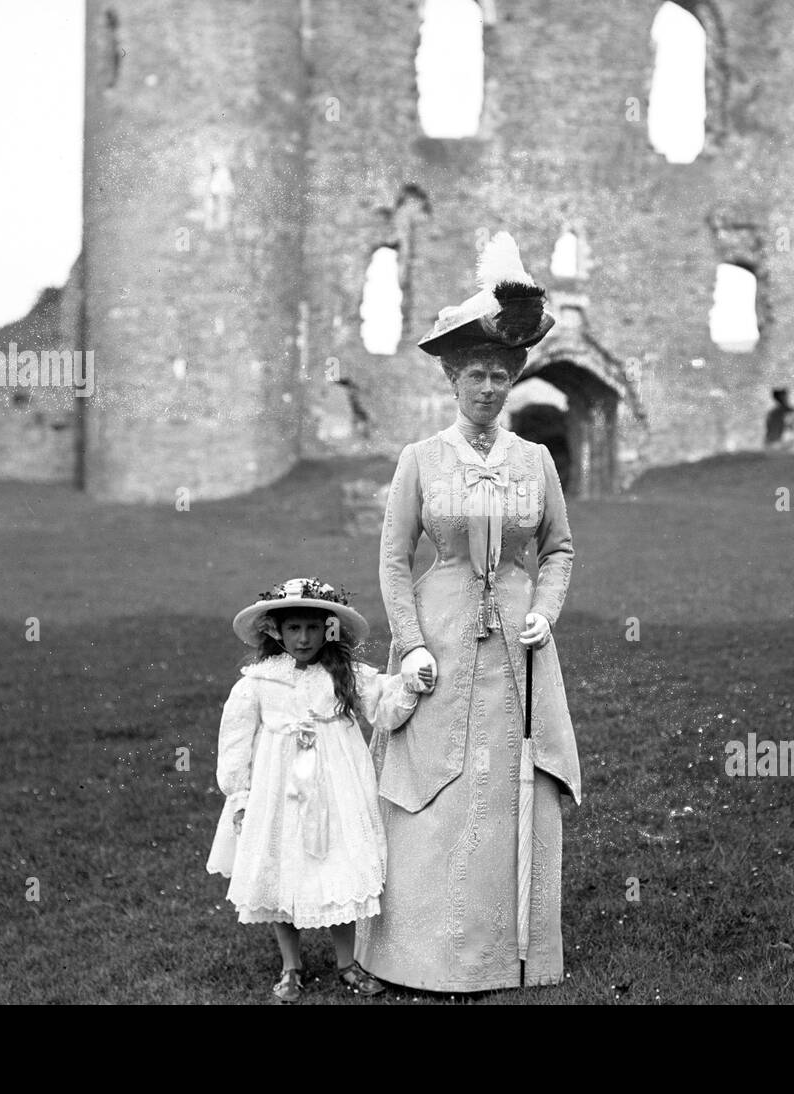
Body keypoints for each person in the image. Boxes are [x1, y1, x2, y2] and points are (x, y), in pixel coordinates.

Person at [355, 232, 582, 992]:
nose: (487, 387)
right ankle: (413, 956)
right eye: (475, 374)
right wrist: (410, 644)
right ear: (452, 380)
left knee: (512, 783)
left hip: (518, 642)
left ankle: (506, 952)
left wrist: (546, 610)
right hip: (441, 635)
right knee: (432, 782)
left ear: (513, 381)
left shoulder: (533, 462)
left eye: (499, 375)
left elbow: (557, 550)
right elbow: (394, 559)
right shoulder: (420, 460)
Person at [206, 576, 433, 1003]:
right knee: (280, 866)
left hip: (336, 787)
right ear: (276, 630)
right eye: (294, 628)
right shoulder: (256, 683)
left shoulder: (345, 673)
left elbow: (385, 709)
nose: (304, 638)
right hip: (279, 792)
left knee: (338, 866)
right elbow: (235, 745)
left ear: (329, 628)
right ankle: (291, 966)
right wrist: (239, 796)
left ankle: (347, 962)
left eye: (314, 627)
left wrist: (411, 683)